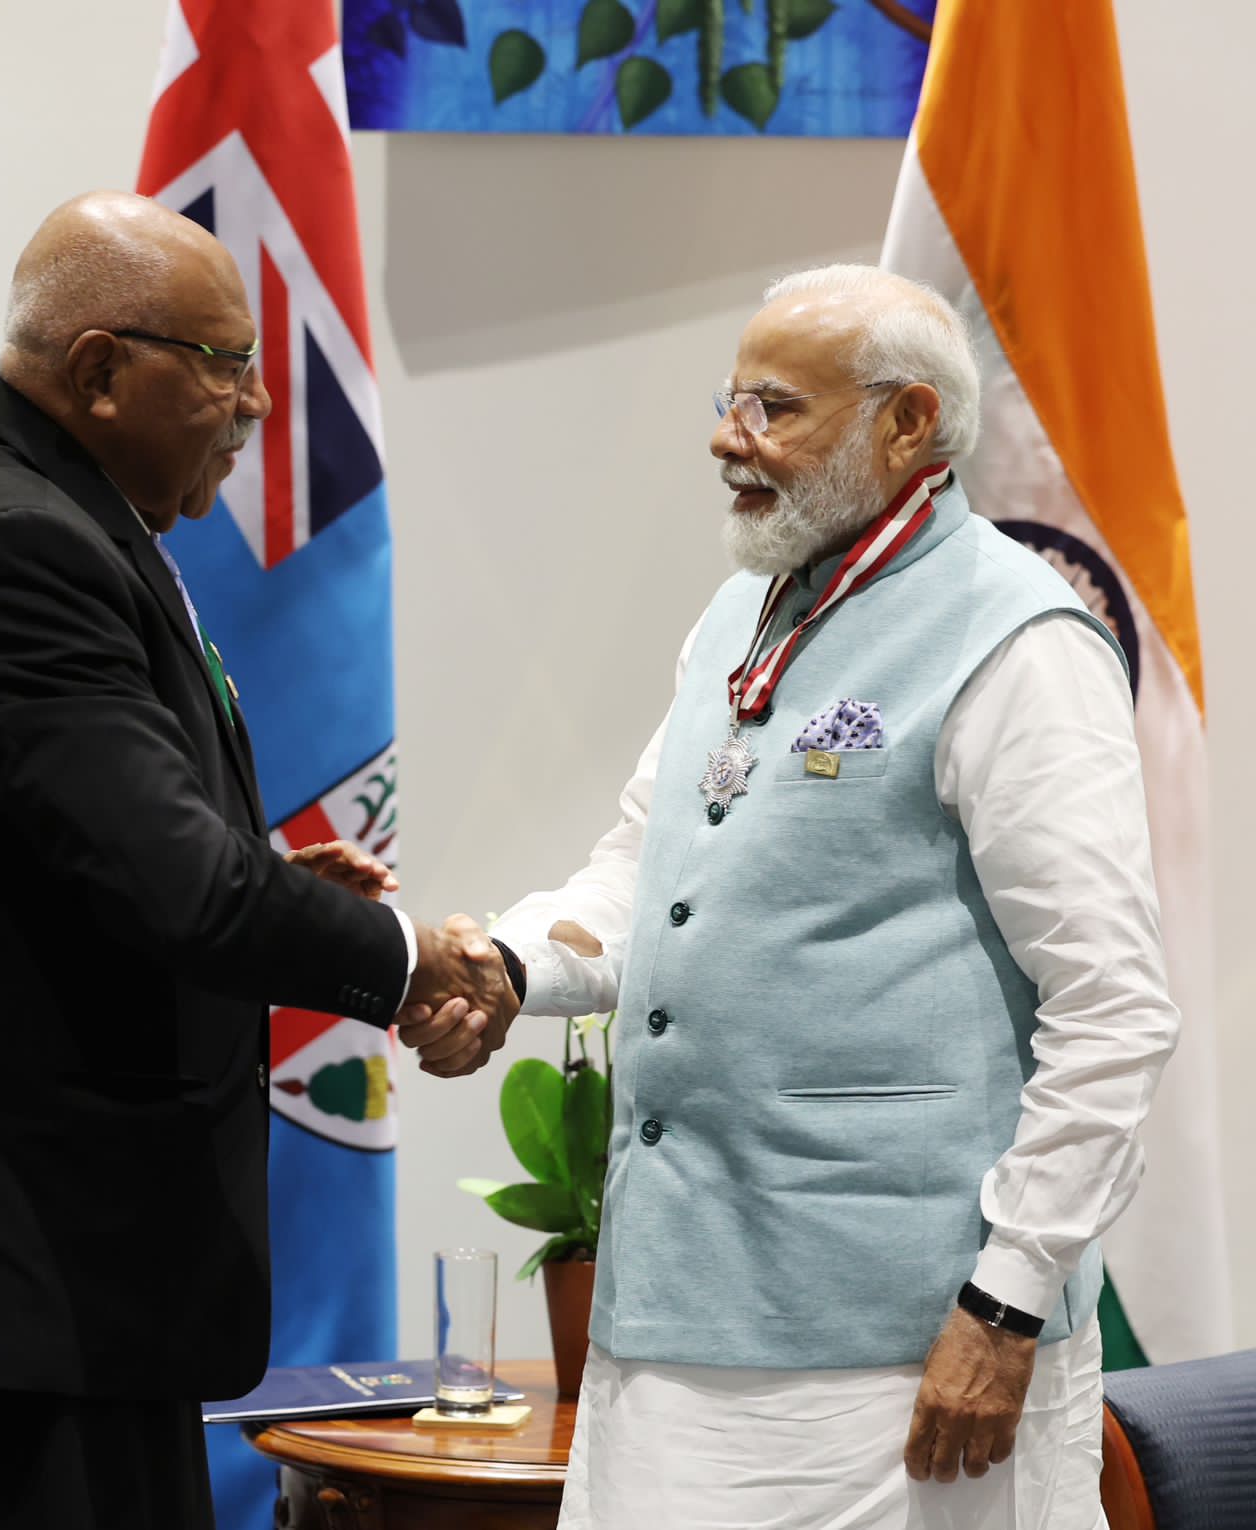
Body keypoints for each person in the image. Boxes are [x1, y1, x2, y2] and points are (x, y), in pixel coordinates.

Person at [0, 190, 518, 1530]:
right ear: (99, 371)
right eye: (226, 365)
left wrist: (264, 890)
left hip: (49, 1292)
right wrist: (402, 959)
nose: (262, 405)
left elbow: (100, 862)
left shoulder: (61, 520)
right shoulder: (14, 547)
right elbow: (179, 887)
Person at [482, 265, 1179, 1530]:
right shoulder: (742, 610)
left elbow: (1113, 1007)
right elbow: (644, 873)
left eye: (772, 407)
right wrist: (506, 964)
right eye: (728, 399)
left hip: (904, 1351)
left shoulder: (1017, 641)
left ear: (907, 422)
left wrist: (1006, 1302)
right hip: (675, 1324)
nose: (725, 436)